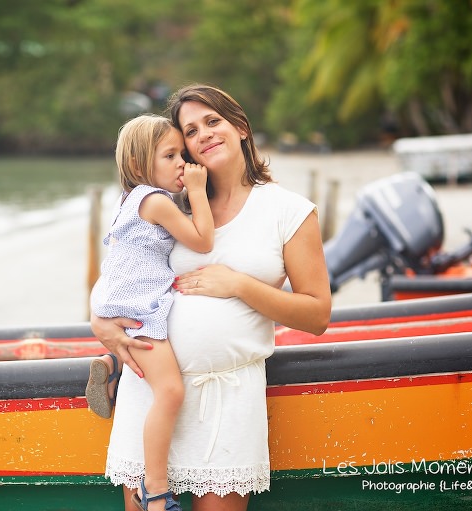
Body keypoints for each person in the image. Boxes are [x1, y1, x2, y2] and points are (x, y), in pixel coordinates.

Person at [90, 84, 332, 511]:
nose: (203, 134)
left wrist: (239, 285)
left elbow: (317, 315)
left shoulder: (288, 211)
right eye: (190, 130)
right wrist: (101, 321)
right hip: (152, 391)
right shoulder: (171, 203)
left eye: (212, 121)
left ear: (240, 127)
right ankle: (115, 368)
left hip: (228, 399)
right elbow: (126, 266)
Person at [86, 113, 215, 511]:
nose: (182, 164)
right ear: (139, 165)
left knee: (156, 377)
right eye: (170, 156)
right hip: (140, 313)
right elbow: (203, 240)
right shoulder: (155, 201)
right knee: (171, 392)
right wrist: (198, 190)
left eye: (182, 155)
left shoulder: (128, 200)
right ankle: (155, 490)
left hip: (124, 304)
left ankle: (112, 364)